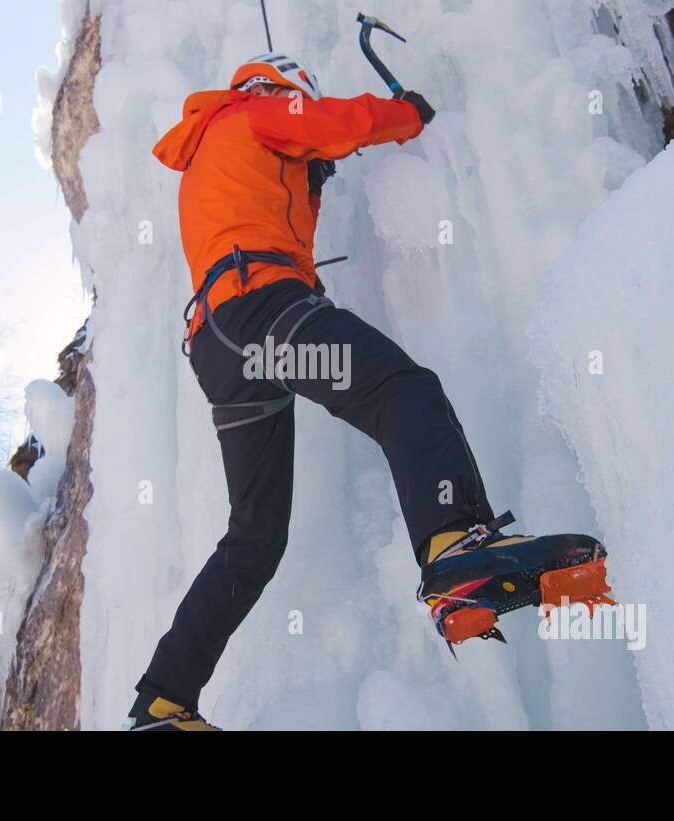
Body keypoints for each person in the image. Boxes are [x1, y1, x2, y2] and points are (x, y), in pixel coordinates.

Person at [129, 53, 496, 731]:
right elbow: (342, 121)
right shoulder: (257, 110)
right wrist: (409, 113)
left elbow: (272, 214)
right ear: (280, 87)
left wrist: (310, 180)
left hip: (221, 344)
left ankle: (161, 701)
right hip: (263, 312)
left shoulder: (210, 146)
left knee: (254, 536)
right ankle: (456, 547)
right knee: (400, 390)